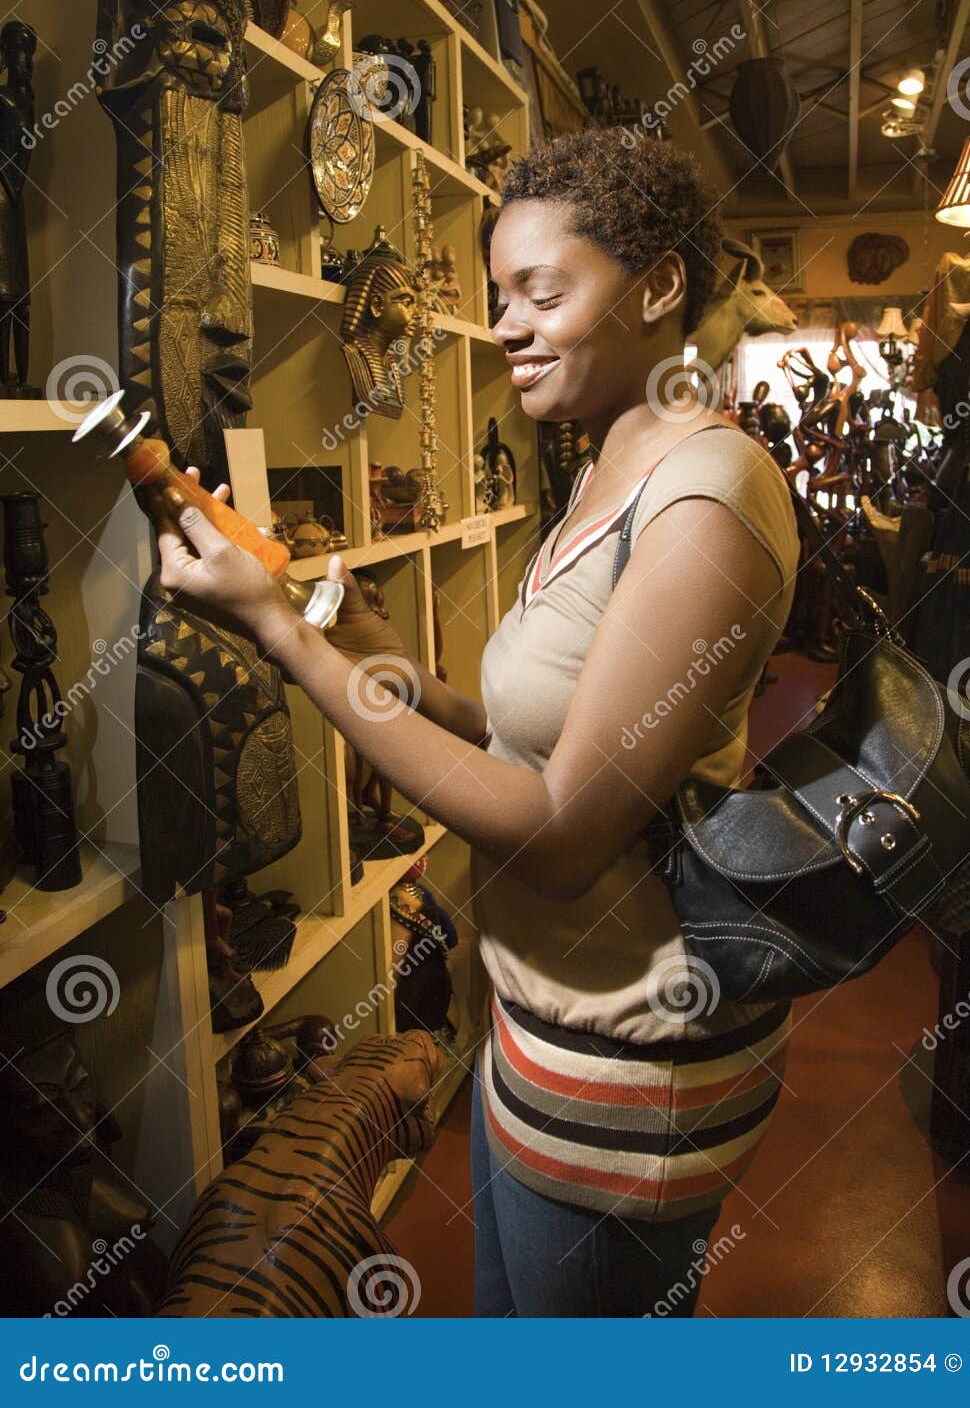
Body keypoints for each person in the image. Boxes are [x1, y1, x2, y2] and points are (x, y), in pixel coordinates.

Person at [157, 129, 801, 1318]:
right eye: (498, 291)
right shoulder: (604, 464)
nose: (502, 322)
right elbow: (522, 737)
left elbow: (559, 832)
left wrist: (295, 649)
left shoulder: (706, 497)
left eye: (541, 292)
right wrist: (377, 660)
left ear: (658, 287)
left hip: (627, 1073)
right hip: (535, 1028)